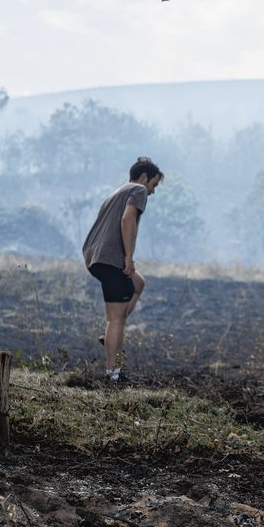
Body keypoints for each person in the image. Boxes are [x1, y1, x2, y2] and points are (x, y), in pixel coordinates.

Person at [82, 156, 162, 383]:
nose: (153, 192)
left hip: (94, 256)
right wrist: (129, 257)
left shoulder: (116, 192)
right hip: (110, 259)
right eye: (154, 185)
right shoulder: (138, 190)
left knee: (138, 283)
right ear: (144, 177)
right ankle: (112, 375)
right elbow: (128, 220)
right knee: (116, 319)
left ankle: (109, 337)